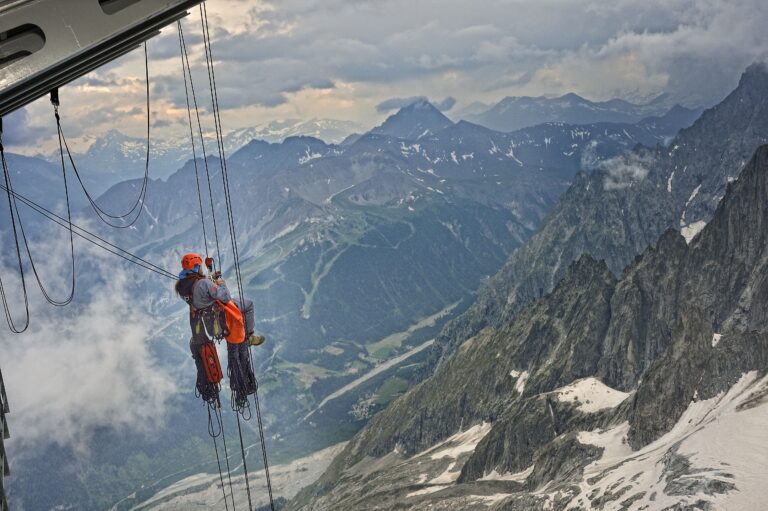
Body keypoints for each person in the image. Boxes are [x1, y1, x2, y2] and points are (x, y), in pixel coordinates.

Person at [175, 252, 264, 409]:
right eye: (199, 265)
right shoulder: (202, 283)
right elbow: (225, 296)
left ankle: (248, 336)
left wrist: (211, 281)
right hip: (221, 314)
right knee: (248, 305)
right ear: (196, 266)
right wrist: (220, 282)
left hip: (210, 323)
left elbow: (202, 293)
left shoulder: (183, 287)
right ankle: (249, 335)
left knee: (242, 305)